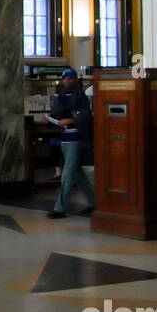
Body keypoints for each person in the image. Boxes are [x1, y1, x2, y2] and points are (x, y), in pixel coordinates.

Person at [47, 68, 94, 219]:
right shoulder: (61, 96)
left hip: (76, 138)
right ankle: (95, 203)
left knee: (67, 174)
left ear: (75, 79)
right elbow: (58, 114)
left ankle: (60, 208)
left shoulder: (80, 96)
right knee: (78, 174)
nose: (67, 80)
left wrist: (72, 120)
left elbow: (85, 116)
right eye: (65, 78)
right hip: (65, 138)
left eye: (70, 77)